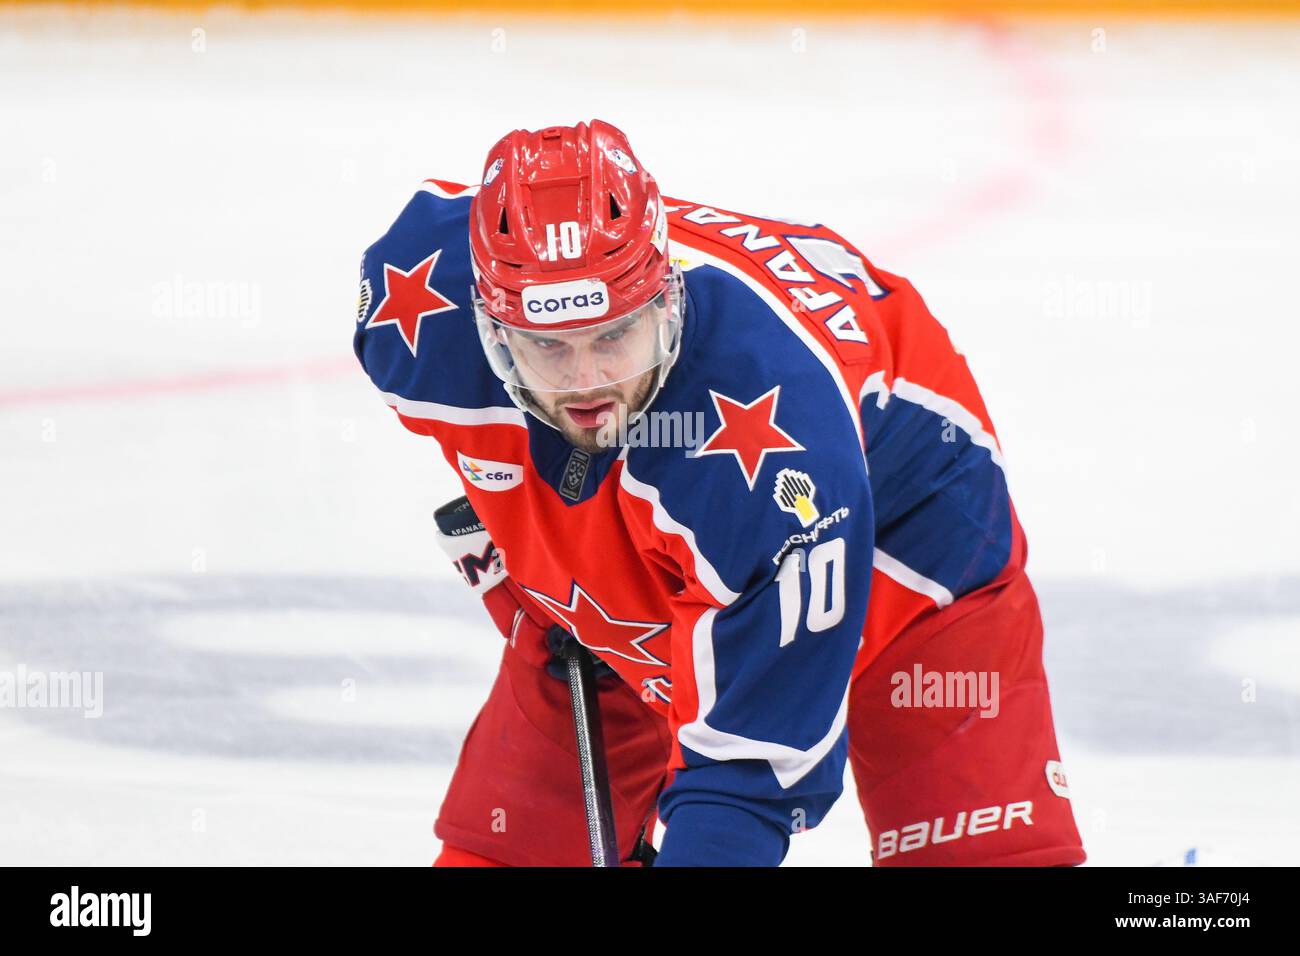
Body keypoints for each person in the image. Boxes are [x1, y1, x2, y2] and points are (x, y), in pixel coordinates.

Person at [352, 119, 1086, 867]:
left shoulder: (784, 465)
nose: (585, 384)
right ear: (489, 326)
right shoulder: (414, 316)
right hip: (678, 522)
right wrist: (543, 575)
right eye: (547, 346)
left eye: (613, 336)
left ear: (665, 303)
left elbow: (744, 786)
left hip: (912, 535)